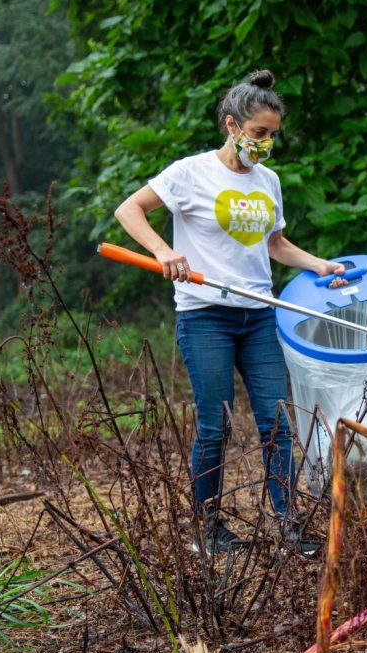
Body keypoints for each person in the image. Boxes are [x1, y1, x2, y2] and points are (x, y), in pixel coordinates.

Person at [113, 69, 343, 553]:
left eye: (272, 135)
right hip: (205, 316)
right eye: (258, 133)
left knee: (277, 422)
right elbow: (128, 210)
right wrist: (162, 251)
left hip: (258, 315)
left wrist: (319, 264)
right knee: (214, 424)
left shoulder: (270, 180)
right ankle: (208, 528)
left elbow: (275, 243)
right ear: (231, 125)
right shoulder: (189, 173)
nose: (265, 143)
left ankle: (288, 525)